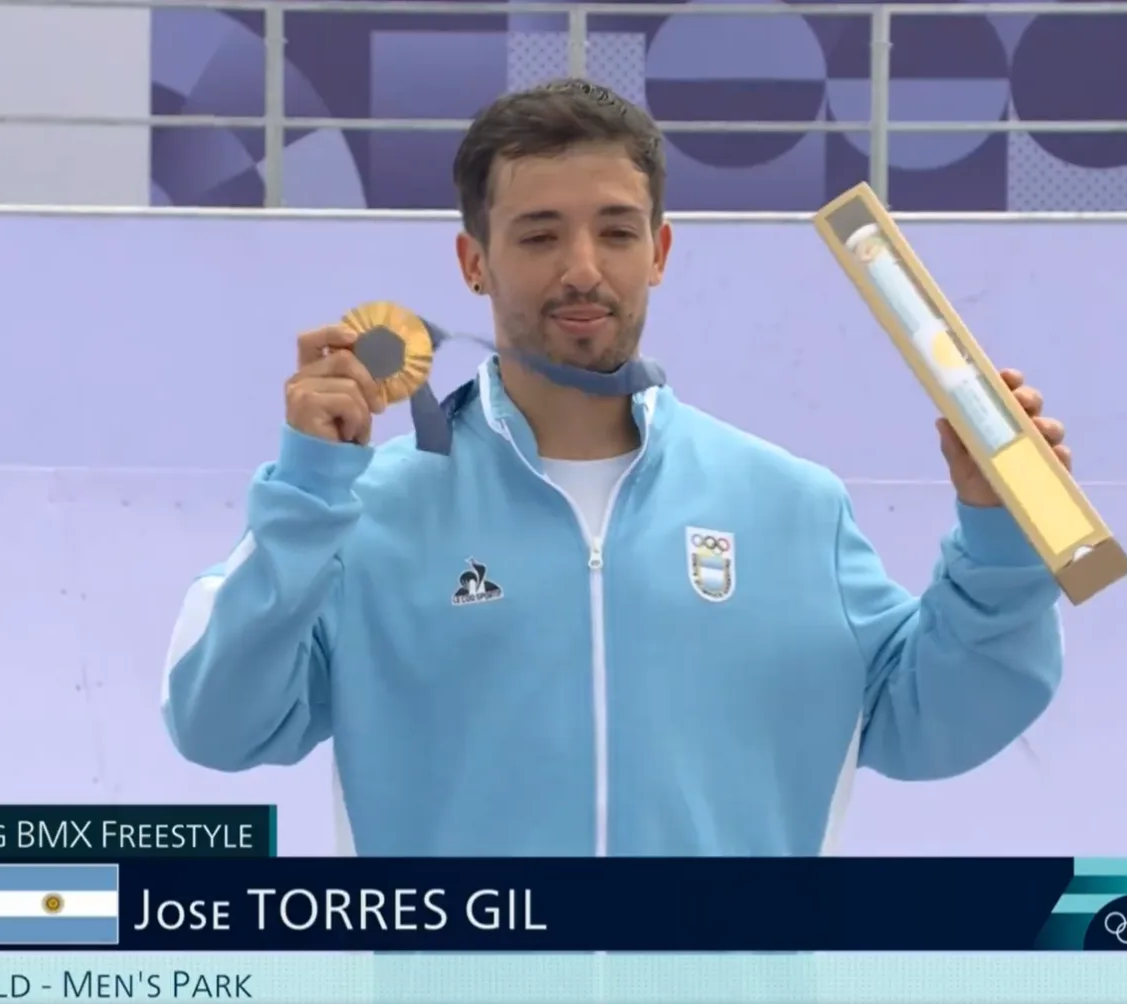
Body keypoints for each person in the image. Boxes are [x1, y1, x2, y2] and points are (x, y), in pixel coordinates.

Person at [162, 79, 1067, 857]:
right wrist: (309, 490)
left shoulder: (790, 506)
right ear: (474, 262)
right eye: (540, 235)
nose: (582, 270)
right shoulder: (364, 516)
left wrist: (999, 533)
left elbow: (933, 719)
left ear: (659, 254)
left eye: (617, 233)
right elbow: (219, 724)